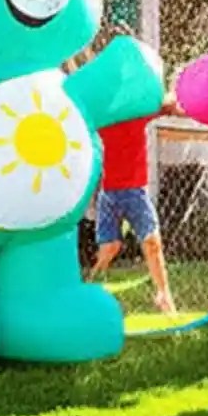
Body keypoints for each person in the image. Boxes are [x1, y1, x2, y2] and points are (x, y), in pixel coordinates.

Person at [69, 23, 180, 315]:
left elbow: (168, 103)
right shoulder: (103, 115)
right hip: (109, 194)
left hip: (135, 191)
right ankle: (87, 289)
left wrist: (186, 103)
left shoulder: (137, 110)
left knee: (152, 242)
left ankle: (164, 295)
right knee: (110, 249)